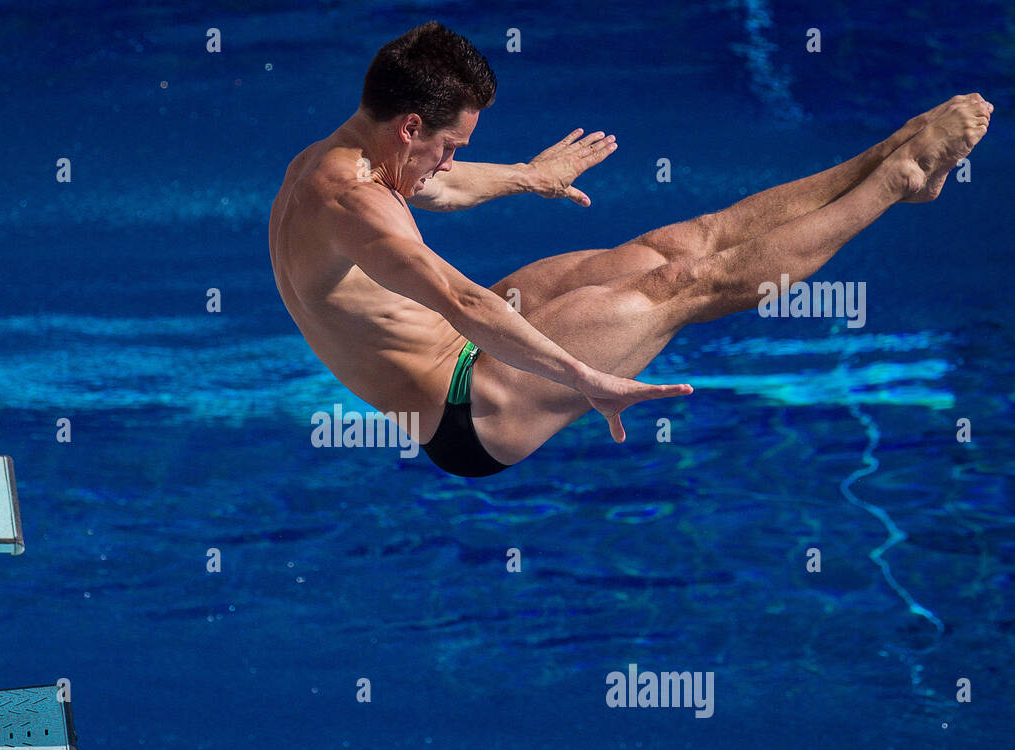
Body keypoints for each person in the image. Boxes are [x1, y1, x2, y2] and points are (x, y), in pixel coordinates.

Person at [268, 21, 992, 477]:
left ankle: (890, 154)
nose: (450, 162)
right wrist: (586, 376)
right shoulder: (351, 200)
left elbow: (439, 190)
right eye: (450, 145)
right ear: (410, 125)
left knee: (673, 245)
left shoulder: (344, 159)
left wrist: (531, 176)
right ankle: (899, 179)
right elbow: (458, 297)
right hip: (469, 407)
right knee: (686, 286)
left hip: (470, 350)